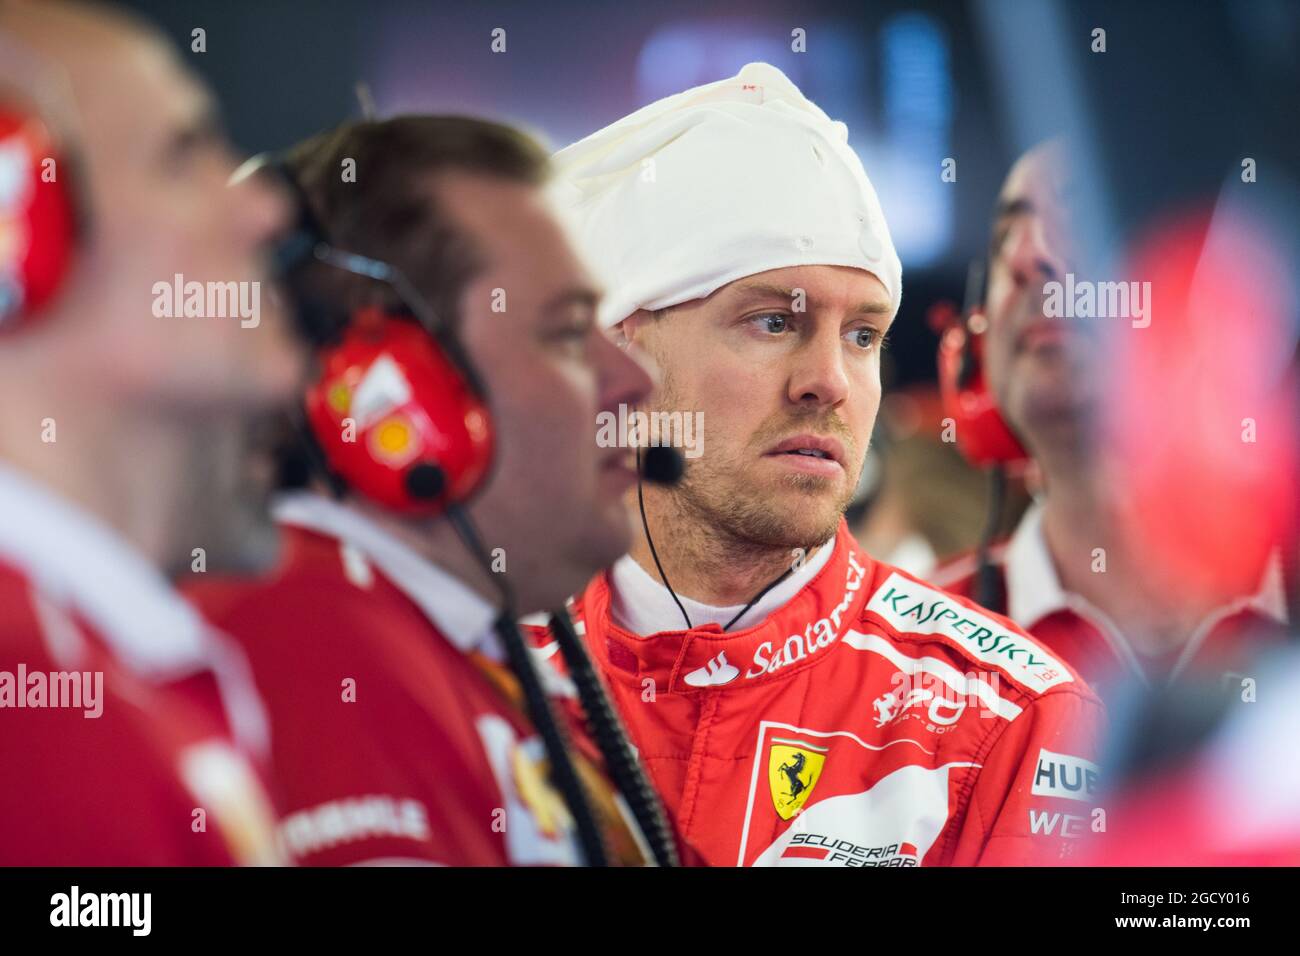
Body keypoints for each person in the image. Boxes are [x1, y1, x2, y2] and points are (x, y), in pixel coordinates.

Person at [533, 63, 1104, 866]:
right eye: (774, 322)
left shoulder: (1014, 724)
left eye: (863, 335)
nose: (830, 381)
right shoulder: (470, 680)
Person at [186, 115, 661, 865]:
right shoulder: (319, 654)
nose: (635, 380)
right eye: (568, 333)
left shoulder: (428, 639)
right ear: (398, 391)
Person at [0, 0, 298, 864]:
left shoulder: (85, 664)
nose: (264, 210)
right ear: (17, 224)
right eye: (182, 154)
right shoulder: (33, 714)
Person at [930, 140, 1289, 703]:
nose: (1027, 257)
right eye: (1003, 240)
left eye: (1072, 221)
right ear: (976, 348)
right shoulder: (913, 642)